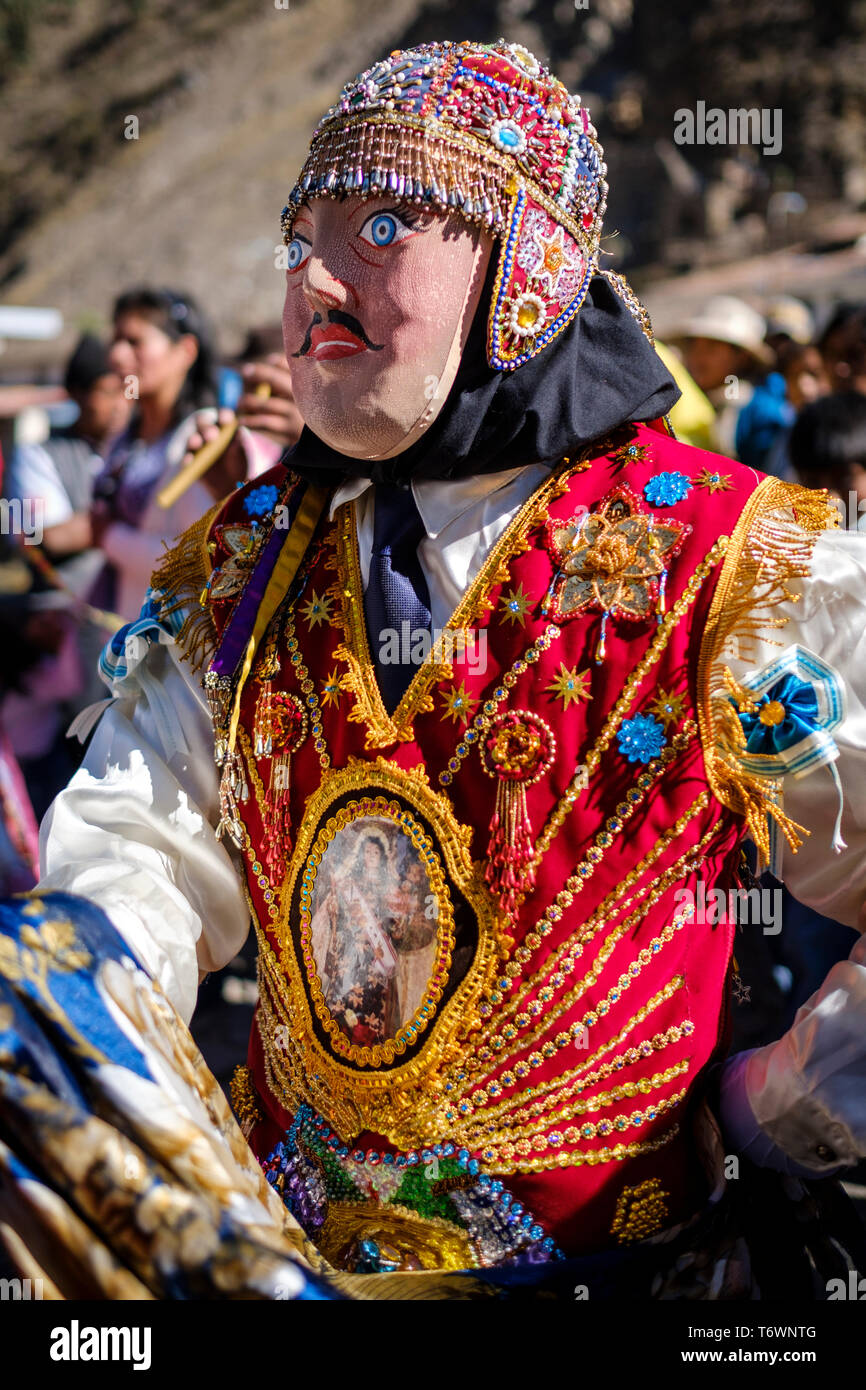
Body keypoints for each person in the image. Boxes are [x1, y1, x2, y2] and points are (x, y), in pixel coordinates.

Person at [3, 38, 866, 1299]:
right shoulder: (243, 568)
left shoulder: (717, 560)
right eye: (301, 232)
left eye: (383, 222)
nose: (310, 275)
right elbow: (136, 847)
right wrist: (87, 1026)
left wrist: (784, 1103)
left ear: (524, 271)